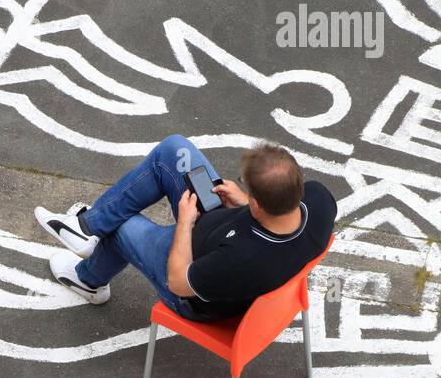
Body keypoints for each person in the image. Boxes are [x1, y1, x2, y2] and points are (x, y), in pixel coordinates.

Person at [35, 136, 336, 320]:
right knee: (173, 150)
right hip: (219, 230)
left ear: (260, 204)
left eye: (249, 192)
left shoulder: (241, 261)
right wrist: (243, 202)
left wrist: (185, 223)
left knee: (122, 222)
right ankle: (89, 229)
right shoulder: (320, 200)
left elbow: (179, 282)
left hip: (188, 271)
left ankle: (88, 280)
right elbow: (269, 220)